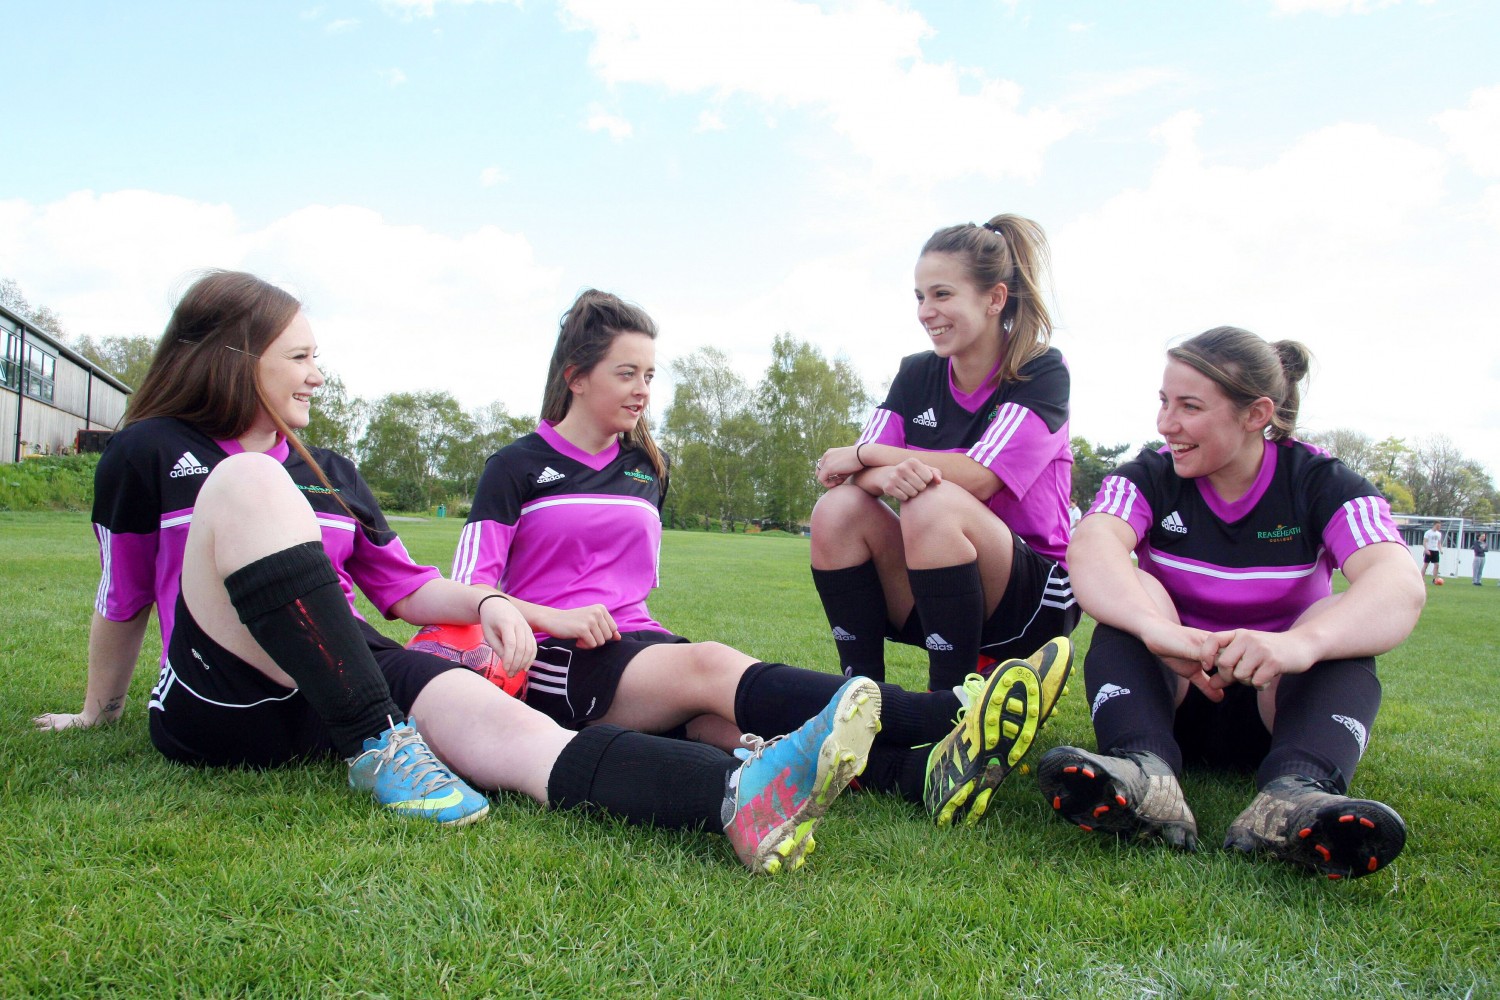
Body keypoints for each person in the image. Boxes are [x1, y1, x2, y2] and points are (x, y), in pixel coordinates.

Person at [33, 269, 881, 874]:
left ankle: (734, 795)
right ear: (234, 355)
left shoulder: (330, 470)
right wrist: (98, 710)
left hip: (346, 675)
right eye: (299, 357)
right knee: (250, 480)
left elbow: (402, 589)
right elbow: (123, 596)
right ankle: (379, 743)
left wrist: (492, 601)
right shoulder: (153, 450)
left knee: (526, 740)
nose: (318, 375)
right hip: (225, 692)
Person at [453, 288, 1073, 829]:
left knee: (751, 737)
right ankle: (946, 713)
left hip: (635, 644)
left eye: (649, 375)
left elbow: (626, 592)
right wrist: (552, 618)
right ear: (576, 377)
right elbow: (468, 591)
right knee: (711, 667)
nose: (642, 390)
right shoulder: (515, 467)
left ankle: (918, 778)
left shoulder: (644, 468)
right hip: (555, 658)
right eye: (626, 373)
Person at [1038, 327, 1424, 880]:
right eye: (1164, 402)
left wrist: (1298, 644)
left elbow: (1398, 583)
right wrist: (1155, 629)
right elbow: (1092, 545)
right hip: (1171, 699)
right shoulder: (1149, 475)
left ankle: (1298, 792)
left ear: (1256, 414)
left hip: (1280, 710)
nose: (1166, 423)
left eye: (1189, 407)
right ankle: (1144, 772)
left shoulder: (1320, 482)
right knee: (1133, 603)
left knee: (1336, 626)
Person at [809, 215, 1079, 694]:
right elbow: (853, 478)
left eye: (942, 294)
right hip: (940, 581)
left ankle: (947, 704)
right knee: (838, 509)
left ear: (995, 299)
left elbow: (980, 477)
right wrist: (883, 471)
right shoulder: (916, 374)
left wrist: (871, 454)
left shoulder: (1040, 371)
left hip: (1035, 600)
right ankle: (859, 700)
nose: (925, 311)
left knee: (932, 499)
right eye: (919, 296)